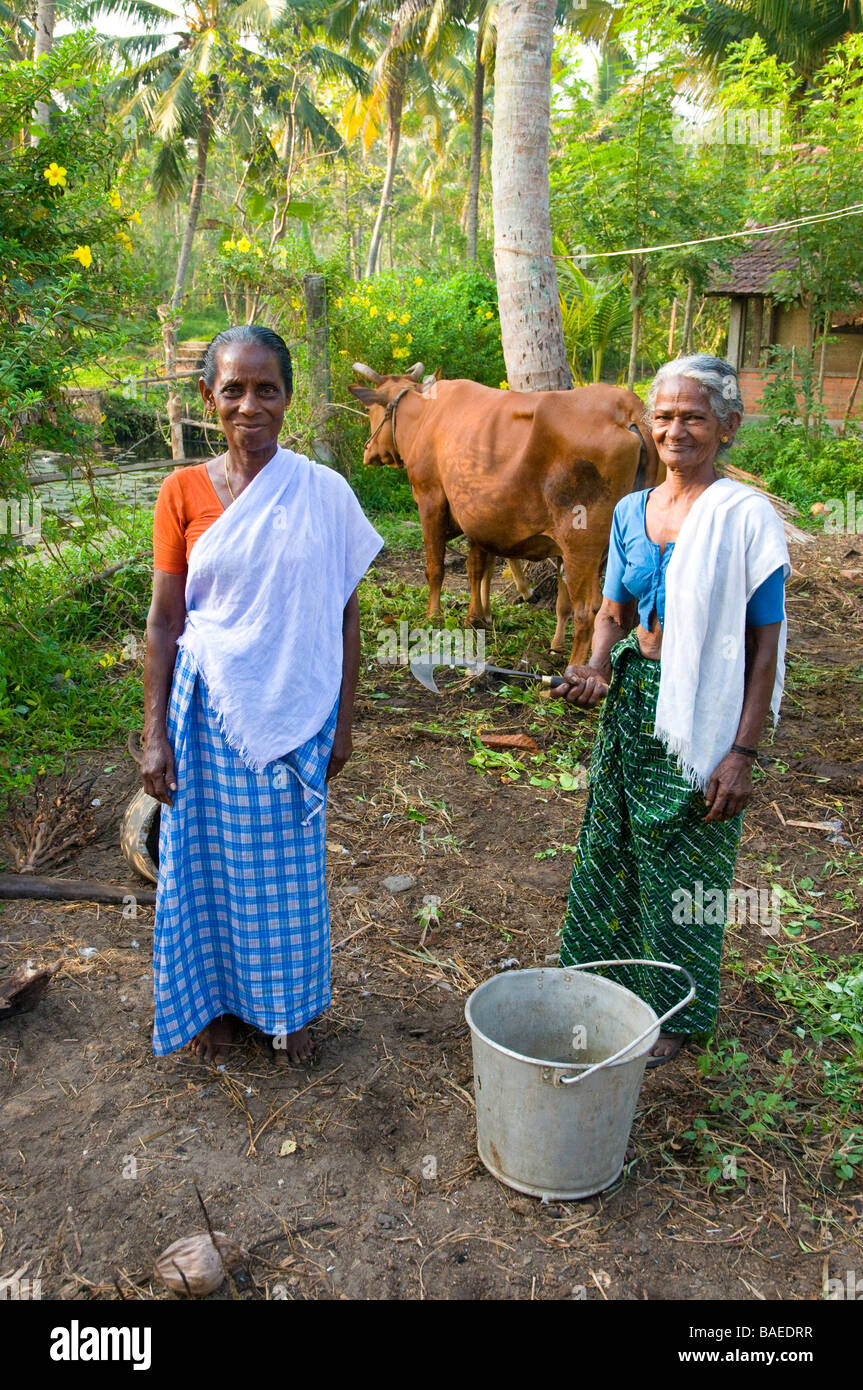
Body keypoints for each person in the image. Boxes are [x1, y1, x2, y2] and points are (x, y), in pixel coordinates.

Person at [142, 324, 382, 1066]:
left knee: (286, 870)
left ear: (286, 397)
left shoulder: (323, 492)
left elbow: (344, 613)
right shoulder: (182, 491)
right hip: (207, 712)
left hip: (292, 712)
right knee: (200, 867)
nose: (250, 404)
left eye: (266, 389)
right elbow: (165, 618)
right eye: (233, 389)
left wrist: (342, 724)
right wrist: (154, 734)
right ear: (208, 396)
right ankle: (210, 1007)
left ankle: (285, 1010)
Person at [553, 354, 790, 1065]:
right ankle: (609, 986)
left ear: (727, 426)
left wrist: (740, 753)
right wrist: (594, 667)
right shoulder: (631, 510)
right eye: (662, 416)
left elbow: (763, 647)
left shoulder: (744, 518)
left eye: (691, 415)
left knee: (685, 872)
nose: (673, 429)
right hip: (631, 705)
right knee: (612, 849)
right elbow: (612, 610)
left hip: (703, 716)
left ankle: (680, 1018)